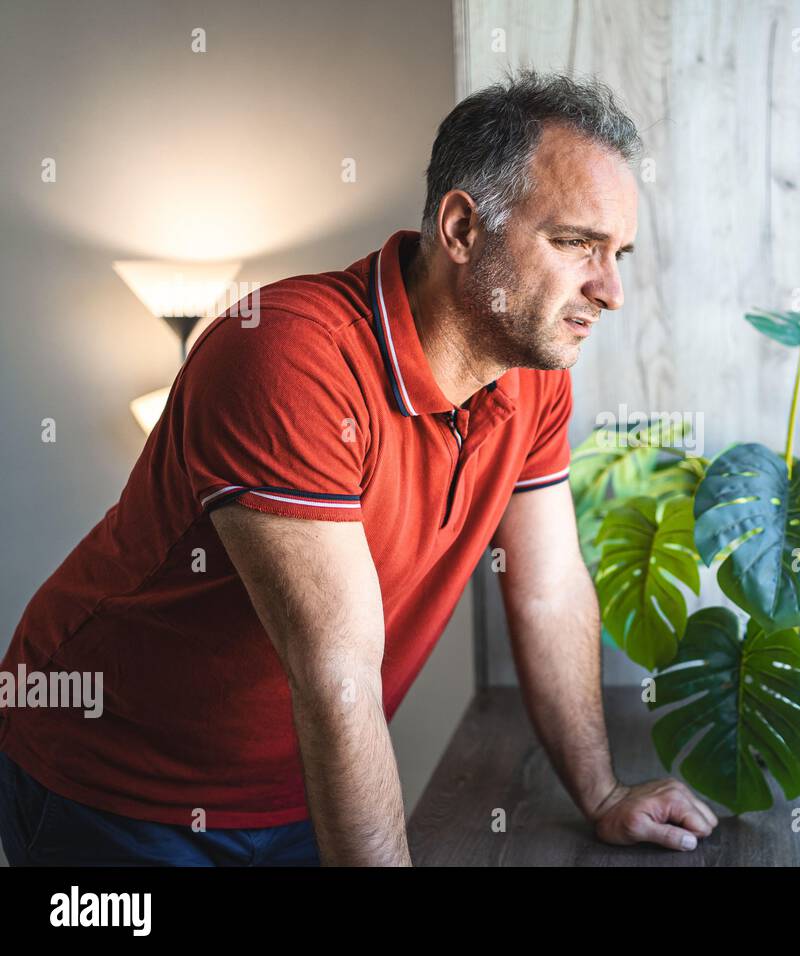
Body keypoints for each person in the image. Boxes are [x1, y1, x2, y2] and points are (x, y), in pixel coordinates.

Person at [0, 69, 717, 866]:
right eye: (575, 242)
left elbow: (548, 588)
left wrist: (605, 795)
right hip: (112, 789)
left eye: (617, 252)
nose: (610, 289)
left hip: (296, 785)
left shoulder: (534, 375)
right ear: (461, 228)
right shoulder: (287, 355)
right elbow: (337, 679)